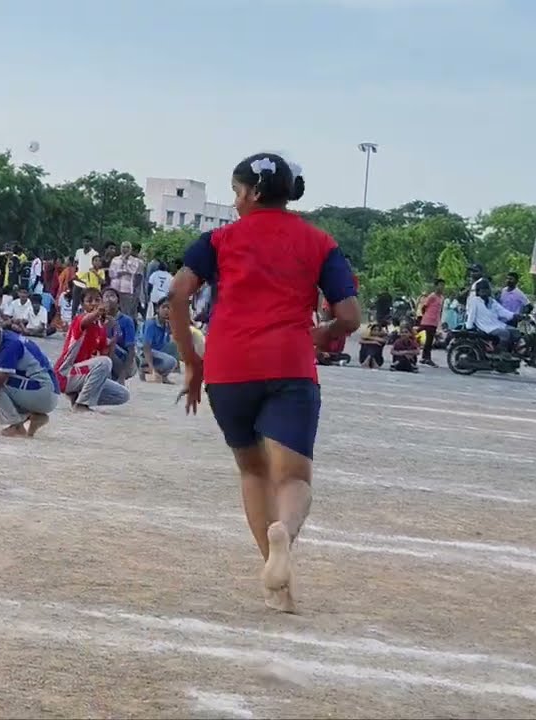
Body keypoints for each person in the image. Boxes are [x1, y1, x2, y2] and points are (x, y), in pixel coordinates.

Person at [168, 152, 360, 614]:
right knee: (292, 477)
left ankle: (279, 587)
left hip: (228, 367)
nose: (235, 203)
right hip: (289, 365)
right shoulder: (320, 242)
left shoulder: (218, 239)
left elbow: (176, 293)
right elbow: (350, 316)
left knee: (252, 471)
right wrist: (323, 332)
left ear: (252, 192)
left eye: (235, 193)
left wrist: (191, 362)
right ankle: (285, 537)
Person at [0, 311, 58, 437]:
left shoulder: (9, 344)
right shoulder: (1, 340)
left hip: (44, 392)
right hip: (44, 393)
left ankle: (16, 427)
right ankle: (34, 416)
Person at [54, 288, 130, 411]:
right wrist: (97, 313)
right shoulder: (79, 319)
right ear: (83, 305)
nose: (94, 303)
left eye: (97, 300)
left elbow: (106, 353)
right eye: (89, 301)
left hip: (82, 372)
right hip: (65, 373)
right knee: (104, 362)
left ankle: (78, 396)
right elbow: (86, 320)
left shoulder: (100, 327)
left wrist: (113, 335)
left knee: (122, 394)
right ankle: (81, 404)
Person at [466, 279, 518, 352]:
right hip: (485, 327)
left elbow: (502, 311)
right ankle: (501, 353)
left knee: (515, 331)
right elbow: (471, 315)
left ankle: (512, 352)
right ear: (478, 291)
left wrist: (514, 315)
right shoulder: (475, 301)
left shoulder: (492, 301)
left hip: (496, 324)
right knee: (504, 333)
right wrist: (469, 327)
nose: (484, 292)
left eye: (486, 289)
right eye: (482, 290)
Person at [101, 288, 138, 382]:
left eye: (112, 296)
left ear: (118, 302)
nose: (109, 299)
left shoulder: (126, 320)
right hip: (104, 358)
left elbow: (131, 350)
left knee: (108, 344)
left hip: (123, 361)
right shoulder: (99, 320)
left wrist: (122, 376)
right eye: (106, 296)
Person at [108, 241, 144, 318]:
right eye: (124, 247)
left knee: (126, 311)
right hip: (115, 288)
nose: (125, 249)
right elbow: (111, 273)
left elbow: (133, 271)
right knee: (113, 309)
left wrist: (125, 260)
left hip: (127, 289)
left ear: (130, 249)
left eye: (127, 247)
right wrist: (119, 273)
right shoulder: (115, 259)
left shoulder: (135, 260)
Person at [417, 278, 445, 367]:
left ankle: (425, 358)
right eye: (440, 285)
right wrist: (426, 315)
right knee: (419, 335)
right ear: (436, 286)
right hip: (427, 320)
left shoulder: (441, 297)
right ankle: (425, 357)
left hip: (434, 321)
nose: (441, 287)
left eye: (443, 285)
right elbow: (424, 307)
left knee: (429, 340)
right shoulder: (432, 296)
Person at [71, 237, 98, 316]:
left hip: (89, 282)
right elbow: (75, 262)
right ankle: (73, 320)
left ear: (91, 243)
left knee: (87, 302)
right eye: (84, 241)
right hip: (78, 281)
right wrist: (75, 272)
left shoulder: (95, 253)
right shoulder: (78, 252)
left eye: (88, 241)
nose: (86, 243)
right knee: (75, 302)